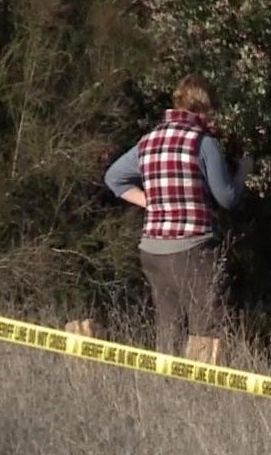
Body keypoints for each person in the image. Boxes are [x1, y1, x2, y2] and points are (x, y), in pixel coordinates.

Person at [104, 73, 252, 364]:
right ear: (205, 106)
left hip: (152, 248)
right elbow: (227, 198)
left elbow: (114, 178)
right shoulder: (202, 142)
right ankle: (202, 393)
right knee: (207, 327)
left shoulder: (149, 141)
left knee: (168, 327)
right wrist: (243, 170)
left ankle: (164, 389)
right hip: (192, 247)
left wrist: (151, 202)